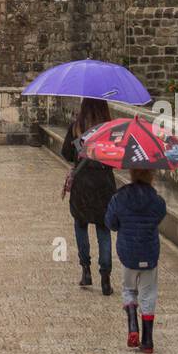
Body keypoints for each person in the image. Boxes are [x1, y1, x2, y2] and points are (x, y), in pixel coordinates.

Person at [105, 169, 167, 353]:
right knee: (148, 294)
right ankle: (147, 341)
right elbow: (159, 216)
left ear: (132, 174)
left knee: (129, 289)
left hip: (128, 253)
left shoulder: (119, 198)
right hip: (149, 253)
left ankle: (133, 325)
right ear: (151, 175)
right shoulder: (156, 200)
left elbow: (111, 223)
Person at [62, 99, 116, 295]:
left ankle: (85, 270)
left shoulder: (77, 128)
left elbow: (66, 153)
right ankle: (105, 277)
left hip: (82, 184)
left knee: (81, 225)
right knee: (104, 229)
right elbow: (116, 160)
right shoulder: (111, 131)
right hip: (104, 184)